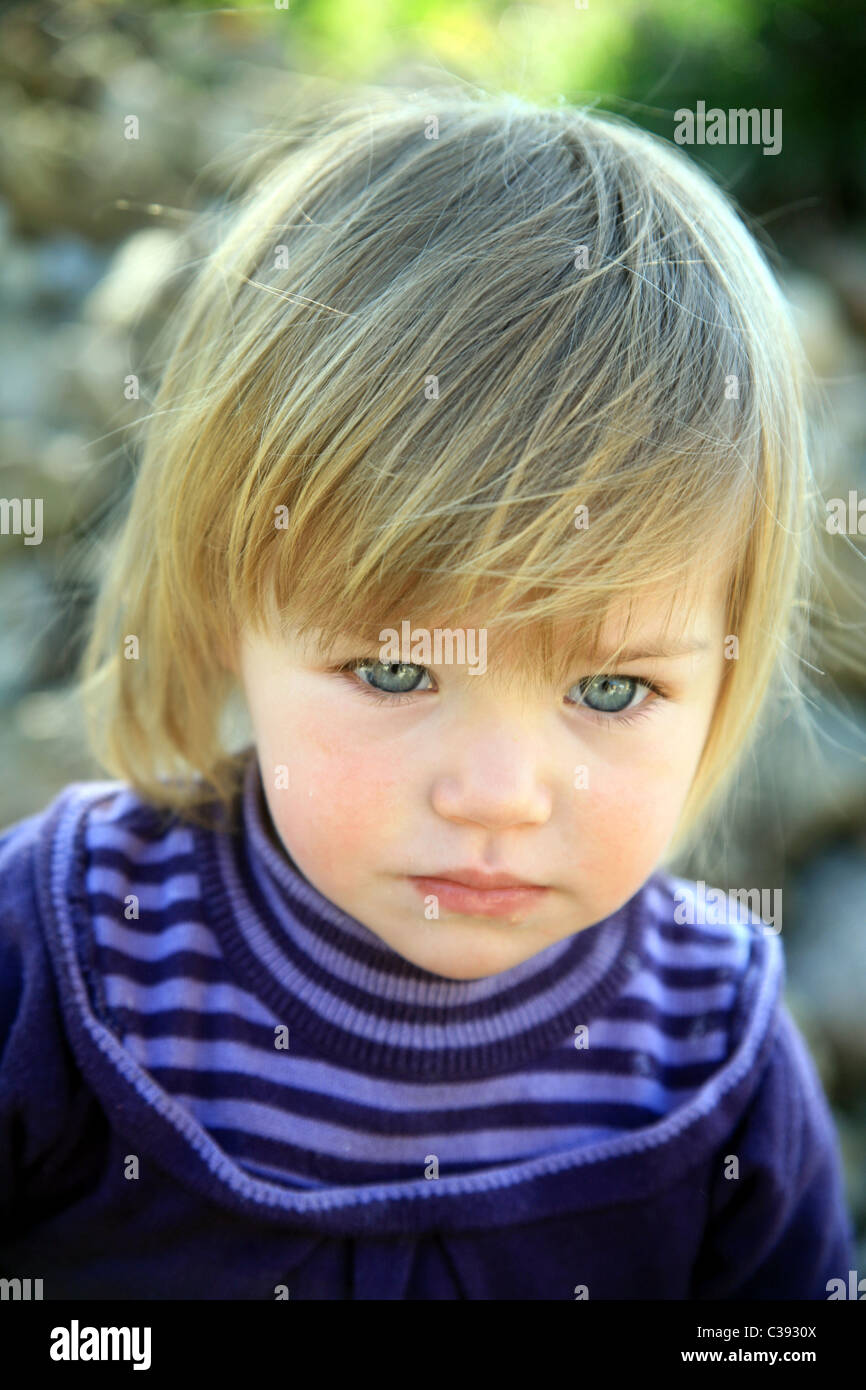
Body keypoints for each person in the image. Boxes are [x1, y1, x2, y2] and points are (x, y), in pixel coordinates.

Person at [0, 88, 857, 1299]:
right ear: (220, 607)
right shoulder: (58, 959)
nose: (497, 796)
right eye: (395, 669)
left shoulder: (711, 1062)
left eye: (610, 687)